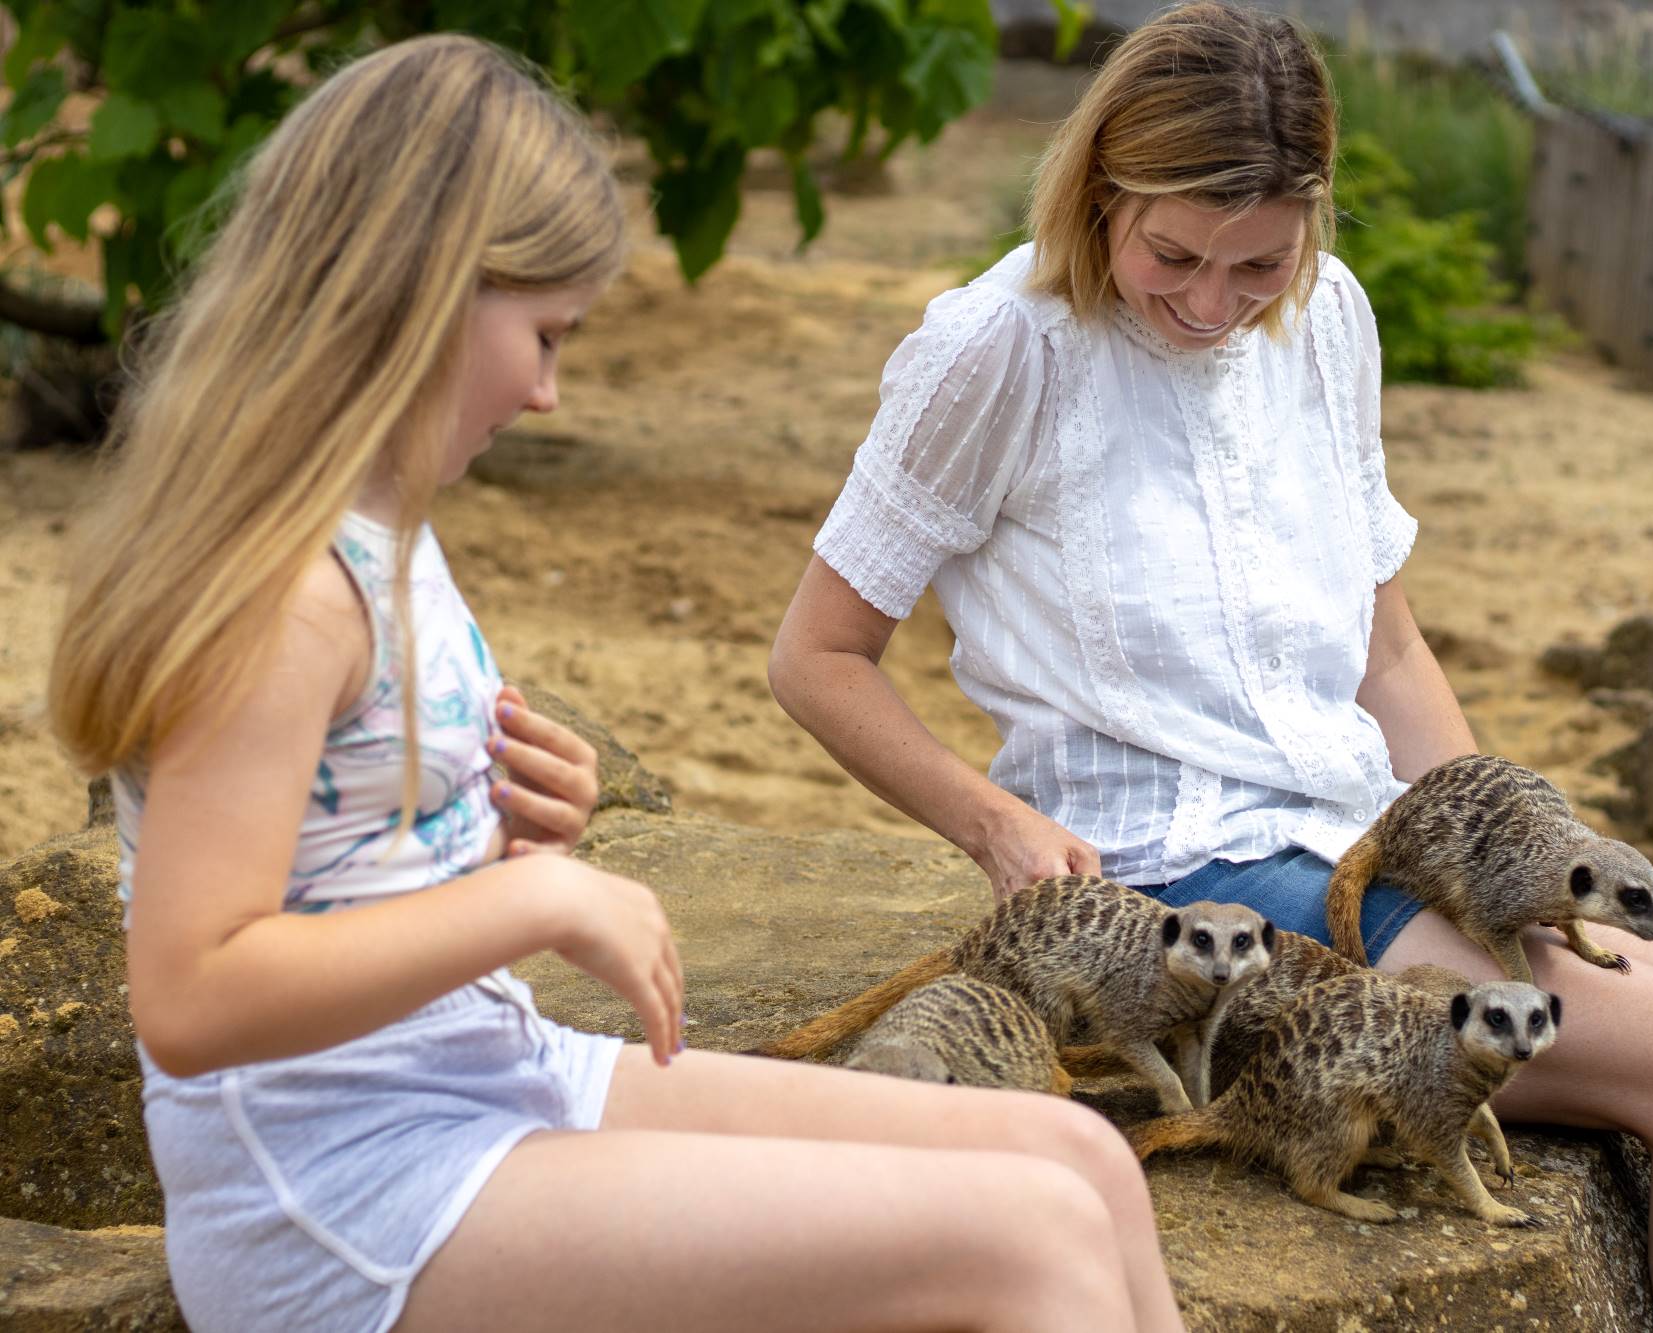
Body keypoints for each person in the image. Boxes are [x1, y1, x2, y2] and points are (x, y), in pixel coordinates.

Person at [47, 36, 1182, 1333]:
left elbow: (343, 863)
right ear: (419, 296)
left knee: (1078, 1159)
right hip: (350, 1191)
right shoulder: (287, 596)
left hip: (480, 1075)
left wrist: (493, 827)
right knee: (1029, 1238)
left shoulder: (381, 527)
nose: (546, 392)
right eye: (542, 335)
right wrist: (532, 897)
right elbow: (192, 994)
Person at [767, 4, 1653, 1330]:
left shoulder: (1329, 316)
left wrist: (1499, 847)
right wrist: (993, 824)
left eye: (1258, 264)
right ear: (1101, 188)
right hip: (1184, 885)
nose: (1211, 304)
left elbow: (1386, 644)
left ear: (1312, 222)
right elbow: (817, 657)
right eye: (1174, 253)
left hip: (1359, 834)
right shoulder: (997, 345)